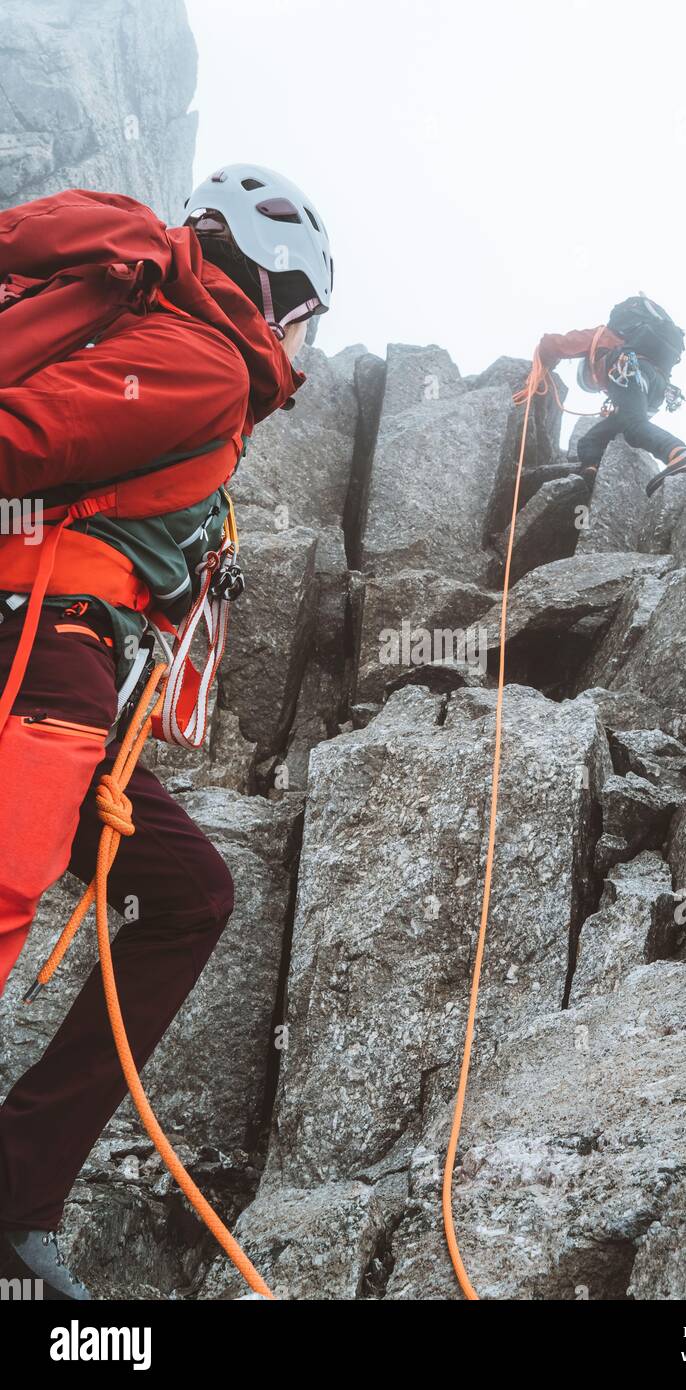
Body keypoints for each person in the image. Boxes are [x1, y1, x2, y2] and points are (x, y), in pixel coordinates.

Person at [0, 164, 331, 1300]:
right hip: (39, 653)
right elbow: (17, 445)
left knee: (185, 892)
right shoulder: (198, 359)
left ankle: (15, 1191)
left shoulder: (180, 353)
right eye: (307, 312)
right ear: (273, 273)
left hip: (68, 662)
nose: (306, 336)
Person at [536, 294, 686, 497]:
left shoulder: (604, 338)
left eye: (593, 384)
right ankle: (590, 471)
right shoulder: (632, 342)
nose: (600, 387)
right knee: (592, 439)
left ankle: (679, 452)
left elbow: (558, 344)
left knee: (634, 426)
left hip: (632, 370)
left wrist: (545, 355)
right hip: (657, 386)